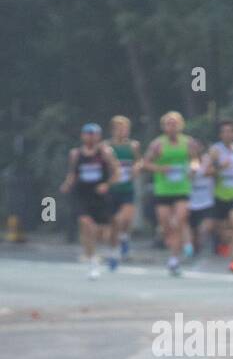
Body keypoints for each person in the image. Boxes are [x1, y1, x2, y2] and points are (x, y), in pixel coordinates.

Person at [140, 111, 201, 276]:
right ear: (164, 127)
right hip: (163, 189)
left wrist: (194, 167)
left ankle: (174, 259)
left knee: (179, 221)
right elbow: (145, 163)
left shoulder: (188, 142)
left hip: (182, 188)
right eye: (168, 123)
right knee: (167, 226)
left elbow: (195, 159)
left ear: (181, 125)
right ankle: (172, 245)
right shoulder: (158, 144)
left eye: (175, 123)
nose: (172, 126)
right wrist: (160, 168)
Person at [60, 123, 119, 279]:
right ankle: (93, 262)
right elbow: (73, 173)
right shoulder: (76, 154)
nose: (90, 137)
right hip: (82, 194)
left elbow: (116, 172)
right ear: (82, 135)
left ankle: (111, 251)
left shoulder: (105, 152)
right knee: (87, 225)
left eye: (93, 134)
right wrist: (67, 185)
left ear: (99, 136)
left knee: (103, 234)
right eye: (87, 134)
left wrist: (107, 185)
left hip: (100, 195)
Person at [208, 119, 233, 273]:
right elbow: (208, 171)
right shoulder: (215, 150)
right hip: (220, 194)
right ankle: (226, 244)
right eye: (224, 131)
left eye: (230, 131)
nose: (227, 134)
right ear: (220, 134)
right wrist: (220, 167)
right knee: (222, 230)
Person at [107, 116, 139, 264]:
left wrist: (137, 168)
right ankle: (114, 251)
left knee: (125, 219)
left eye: (125, 128)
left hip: (127, 188)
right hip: (112, 189)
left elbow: (139, 161)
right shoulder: (106, 147)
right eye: (119, 128)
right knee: (114, 222)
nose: (122, 131)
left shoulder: (133, 146)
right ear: (113, 130)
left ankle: (124, 238)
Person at [186, 139, 216, 260]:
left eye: (196, 147)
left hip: (207, 201)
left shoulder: (208, 160)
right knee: (193, 231)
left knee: (206, 227)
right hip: (191, 201)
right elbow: (188, 175)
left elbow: (213, 171)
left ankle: (201, 244)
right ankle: (194, 250)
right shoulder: (185, 161)